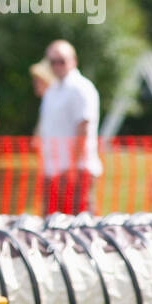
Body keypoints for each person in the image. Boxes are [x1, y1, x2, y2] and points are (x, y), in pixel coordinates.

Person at [37, 39, 103, 215]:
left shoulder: (81, 88)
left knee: (79, 225)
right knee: (51, 223)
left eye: (62, 61)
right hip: (54, 170)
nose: (57, 65)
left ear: (73, 60)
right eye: (53, 61)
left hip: (76, 170)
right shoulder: (52, 90)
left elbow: (83, 127)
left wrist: (73, 167)